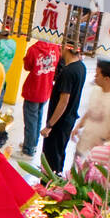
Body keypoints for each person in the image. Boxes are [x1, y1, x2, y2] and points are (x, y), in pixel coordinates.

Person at [70, 60, 110, 165]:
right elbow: (91, 110)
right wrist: (79, 125)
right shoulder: (96, 89)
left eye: (97, 75)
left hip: (101, 155)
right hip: (83, 146)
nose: (94, 77)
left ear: (107, 79)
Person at [40, 45, 85, 174]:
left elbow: (63, 101)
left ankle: (47, 187)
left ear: (67, 48)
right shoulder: (81, 67)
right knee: (59, 154)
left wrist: (49, 125)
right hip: (68, 120)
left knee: (51, 158)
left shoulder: (68, 72)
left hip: (59, 123)